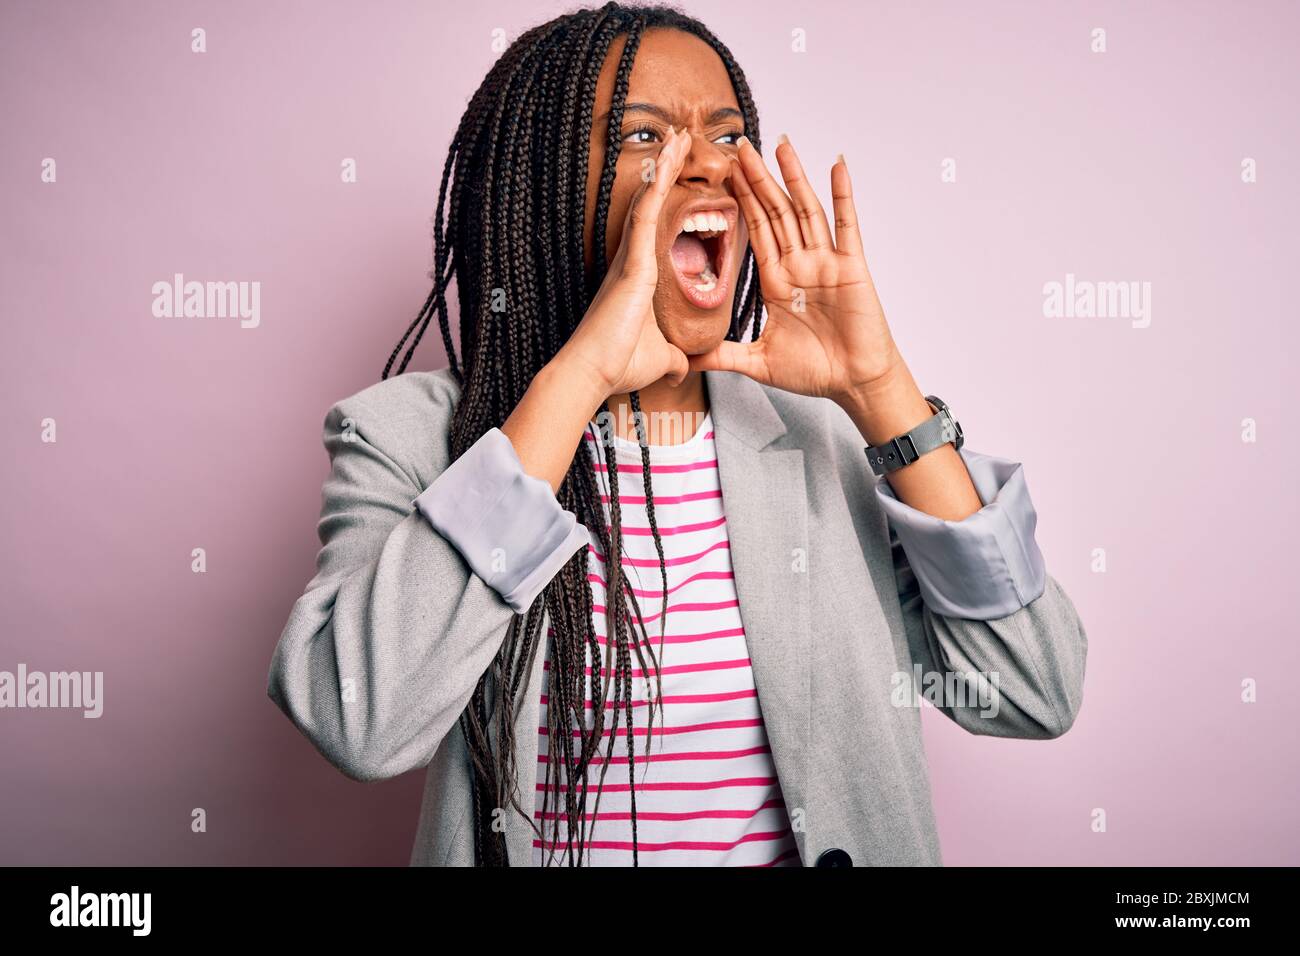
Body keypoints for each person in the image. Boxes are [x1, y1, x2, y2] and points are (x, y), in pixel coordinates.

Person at [267, 2, 1087, 867]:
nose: (706, 164)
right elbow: (356, 719)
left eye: (728, 136)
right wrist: (578, 378)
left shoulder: (823, 444)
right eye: (645, 136)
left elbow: (1033, 689)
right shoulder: (409, 437)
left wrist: (883, 393)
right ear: (545, 185)